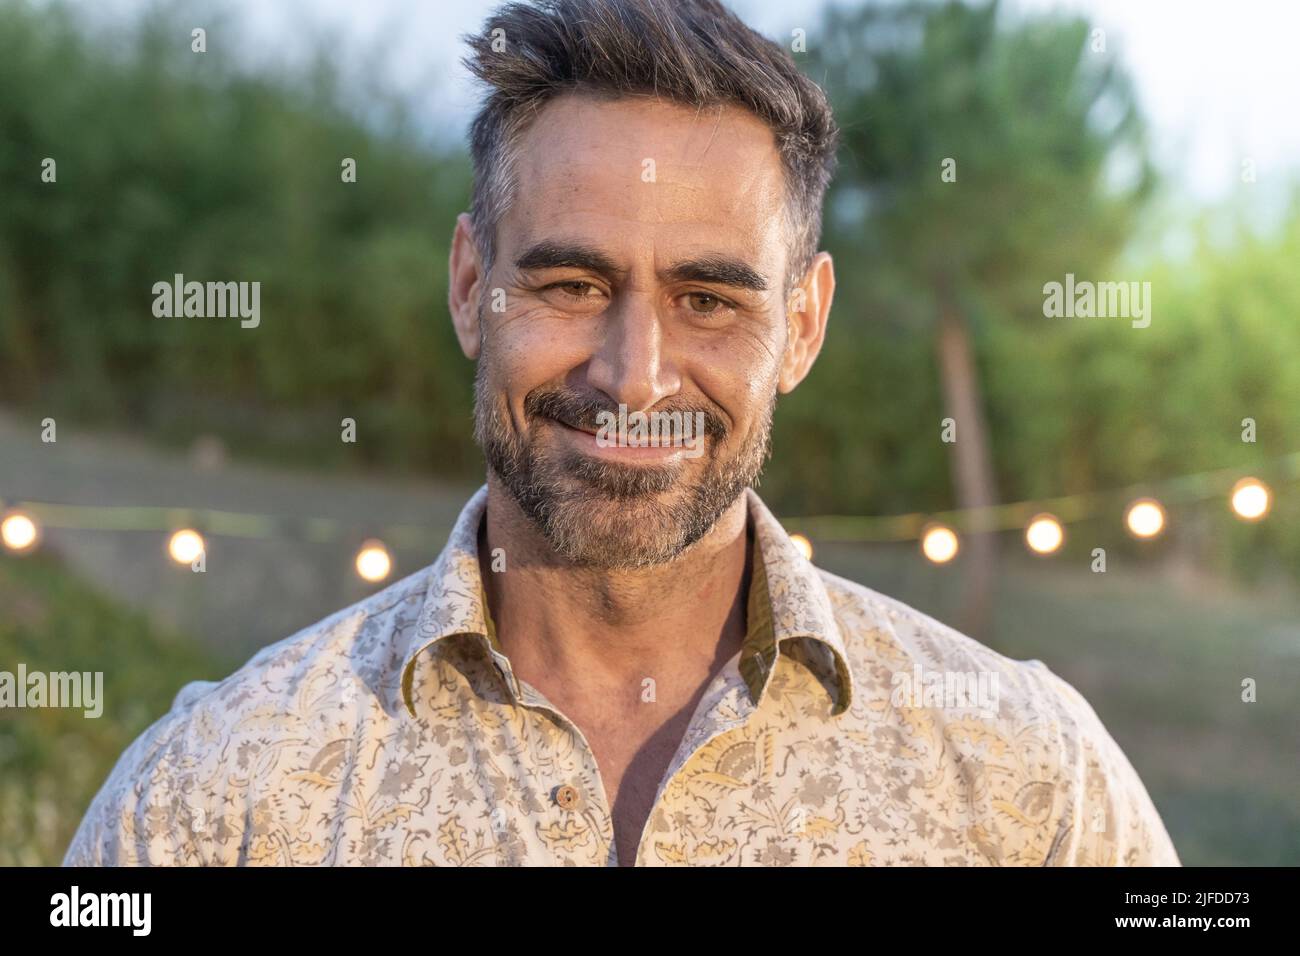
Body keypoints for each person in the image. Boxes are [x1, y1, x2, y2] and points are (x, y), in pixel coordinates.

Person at [65, 0, 1180, 867]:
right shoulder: (216, 797)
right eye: (569, 281)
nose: (632, 375)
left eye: (709, 299)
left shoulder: (1033, 783)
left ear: (800, 326)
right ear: (468, 286)